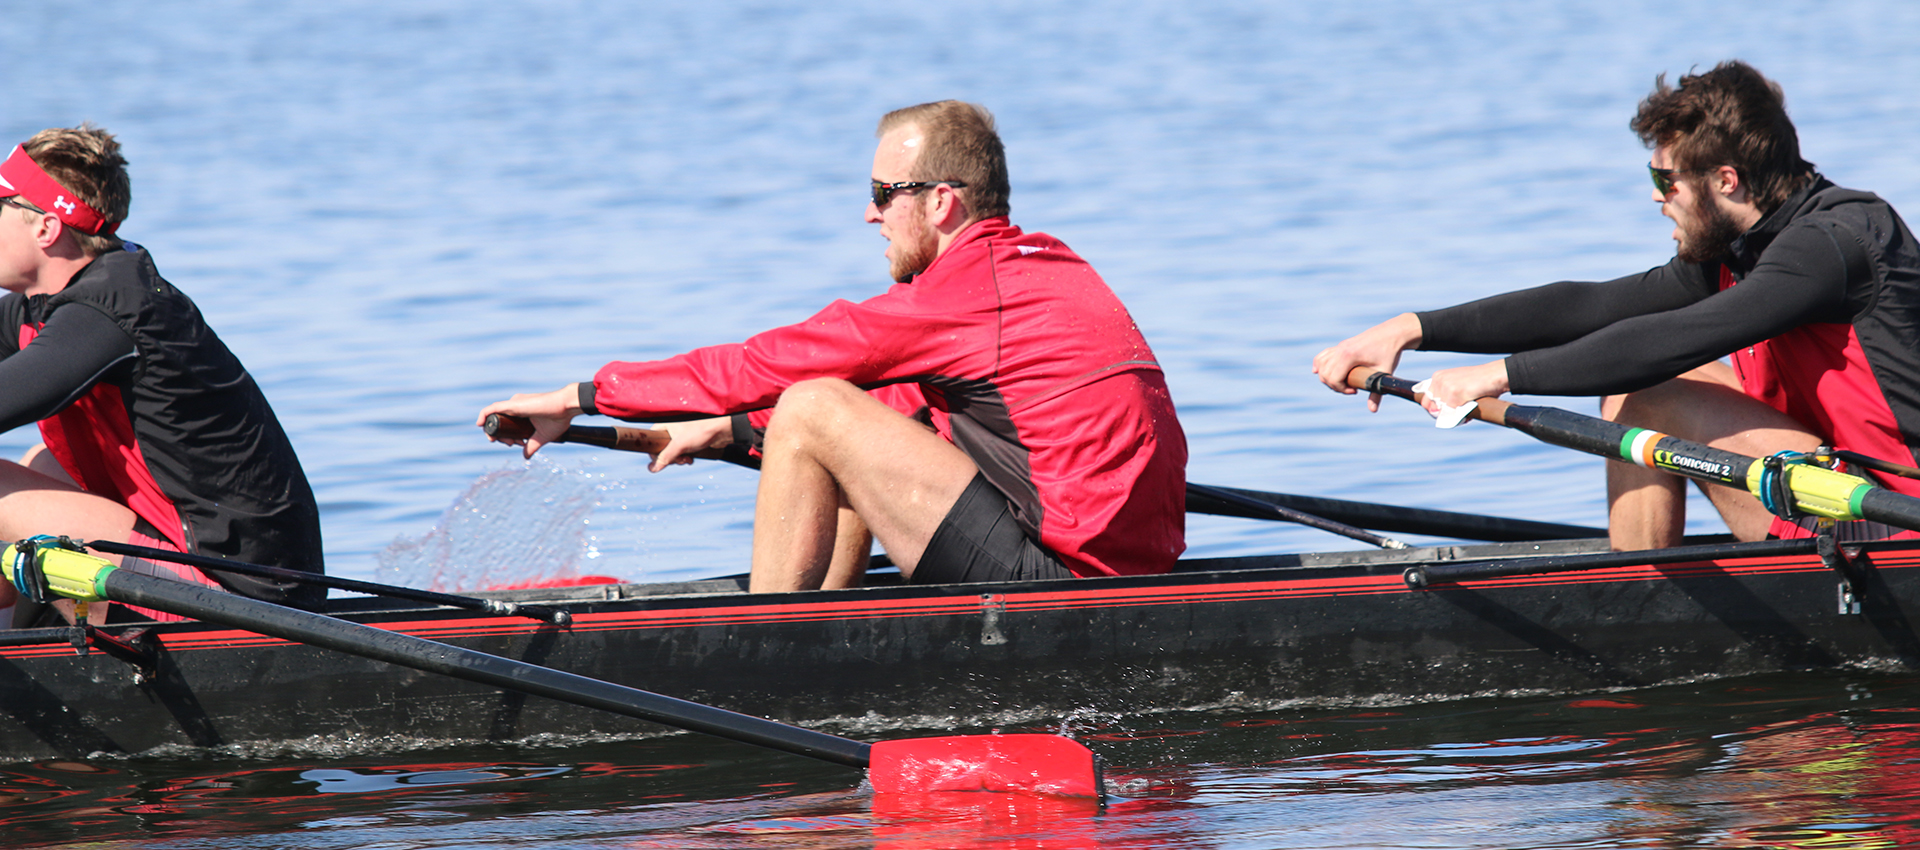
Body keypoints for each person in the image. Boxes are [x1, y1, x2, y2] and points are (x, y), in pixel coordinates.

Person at [480, 100, 1187, 591]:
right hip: (1114, 570)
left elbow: (768, 367)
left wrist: (582, 397)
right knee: (831, 418)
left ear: (942, 202)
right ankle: (825, 621)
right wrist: (714, 432)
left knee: (815, 405)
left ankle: (773, 649)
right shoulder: (1039, 268)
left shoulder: (956, 296)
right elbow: (901, 407)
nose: (871, 212)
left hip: (1066, 587)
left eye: (885, 192)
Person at [1312, 60, 1920, 551]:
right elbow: (1591, 306)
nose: (1658, 198)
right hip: (1835, 485)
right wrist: (1410, 328)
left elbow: (1672, 339)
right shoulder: (1743, 245)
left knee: (1648, 391)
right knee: (1658, 376)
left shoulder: (1830, 245)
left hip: (1895, 521)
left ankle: (1638, 595)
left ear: (1725, 181)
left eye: (1665, 182)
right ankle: (1641, 569)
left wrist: (1494, 377)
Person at [0, 126, 325, 626]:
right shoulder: (41, 303)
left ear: (46, 228)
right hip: (184, 557)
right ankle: (32, 630)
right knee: (42, 462)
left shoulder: (111, 311)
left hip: (240, 597)